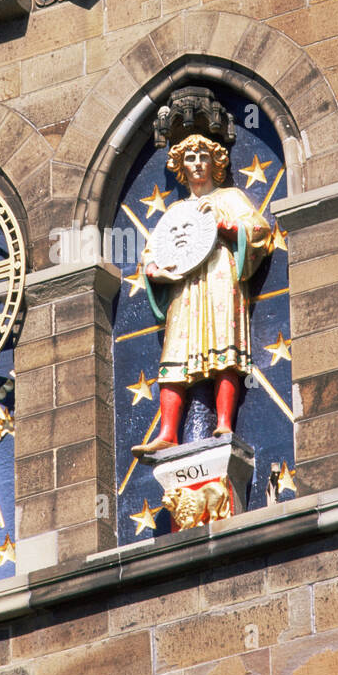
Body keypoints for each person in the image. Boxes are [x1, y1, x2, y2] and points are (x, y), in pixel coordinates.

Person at [132, 134, 271, 452]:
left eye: (203, 157)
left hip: (220, 277)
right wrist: (156, 271)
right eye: (190, 159)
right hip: (185, 286)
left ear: (215, 163)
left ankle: (224, 422)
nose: (196, 164)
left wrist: (226, 224)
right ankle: (168, 432)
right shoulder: (177, 211)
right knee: (175, 350)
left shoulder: (231, 197)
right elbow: (153, 253)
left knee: (224, 343)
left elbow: (260, 230)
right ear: (181, 167)